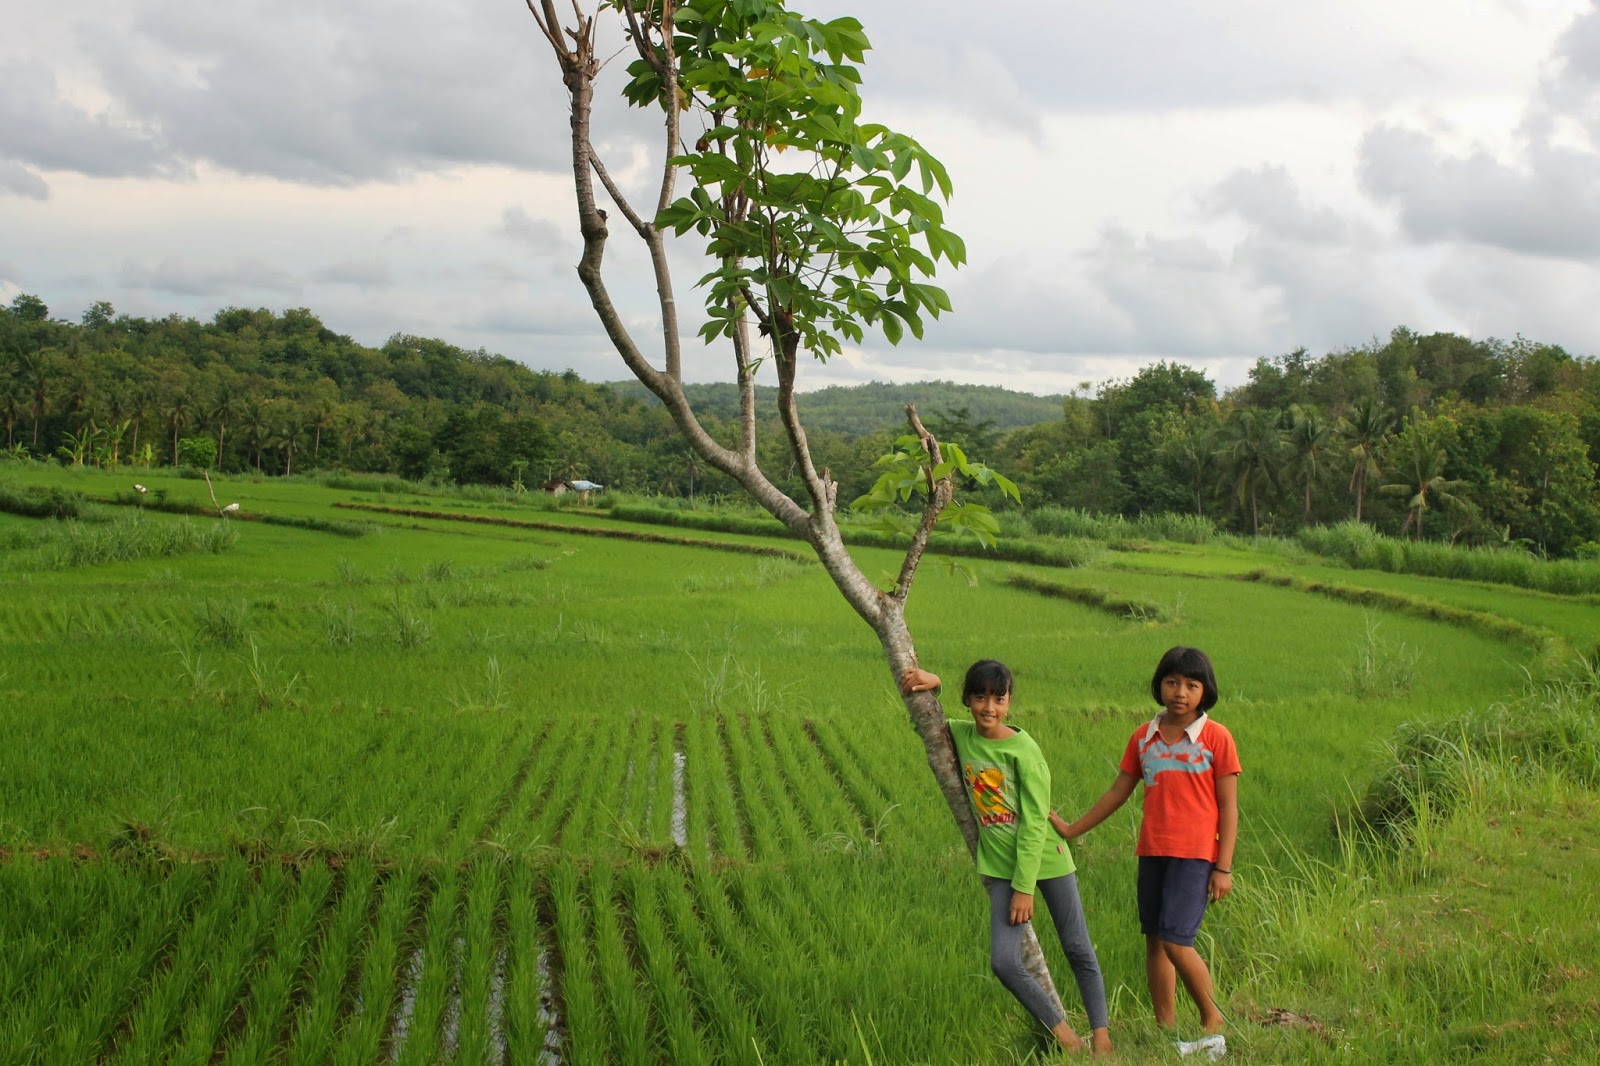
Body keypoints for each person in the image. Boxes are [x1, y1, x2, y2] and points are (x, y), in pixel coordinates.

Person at [901, 660, 1113, 1055]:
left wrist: (1023, 888)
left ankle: (1102, 1037)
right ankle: (1066, 1037)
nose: (989, 707)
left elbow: (1035, 823)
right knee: (1003, 962)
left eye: (999, 699)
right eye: (980, 697)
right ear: (968, 700)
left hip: (1046, 860)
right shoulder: (960, 736)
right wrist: (936, 683)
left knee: (1077, 947)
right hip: (1000, 866)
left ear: (1009, 703)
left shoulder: (1025, 750)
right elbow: (924, 723)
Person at [1050, 646, 1240, 1035]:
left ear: (1205, 691)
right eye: (1172, 682)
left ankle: (1212, 1015)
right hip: (1153, 851)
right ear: (1159, 685)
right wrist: (1071, 829)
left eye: (1191, 684)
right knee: (1154, 941)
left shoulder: (1216, 738)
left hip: (1195, 855)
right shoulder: (1144, 737)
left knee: (1176, 941)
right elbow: (1117, 792)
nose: (1180, 693)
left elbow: (1229, 808)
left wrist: (1223, 867)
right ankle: (1164, 1026)